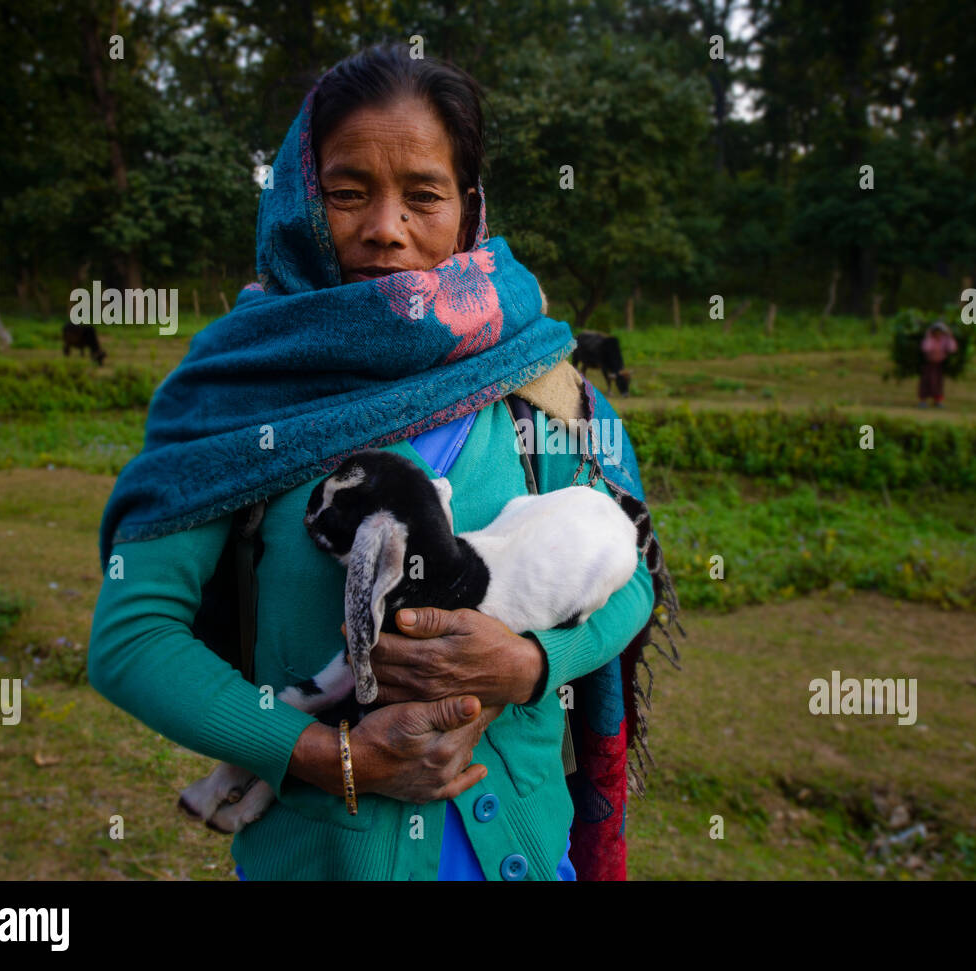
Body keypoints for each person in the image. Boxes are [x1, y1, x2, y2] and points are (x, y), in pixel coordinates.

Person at [88, 43, 679, 881]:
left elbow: (631, 582)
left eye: (423, 194)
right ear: (300, 199)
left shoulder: (544, 385)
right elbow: (129, 638)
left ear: (469, 207)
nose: (385, 227)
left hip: (528, 855)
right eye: (348, 192)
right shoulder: (237, 394)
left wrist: (534, 663)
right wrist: (331, 756)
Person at [918, 320, 958, 408]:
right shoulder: (930, 339)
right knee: (926, 382)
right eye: (936, 331)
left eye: (940, 331)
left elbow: (952, 349)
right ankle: (923, 401)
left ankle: (938, 401)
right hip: (929, 364)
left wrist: (950, 336)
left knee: (938, 383)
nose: (938, 333)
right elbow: (926, 349)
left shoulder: (945, 339)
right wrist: (928, 336)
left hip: (939, 364)